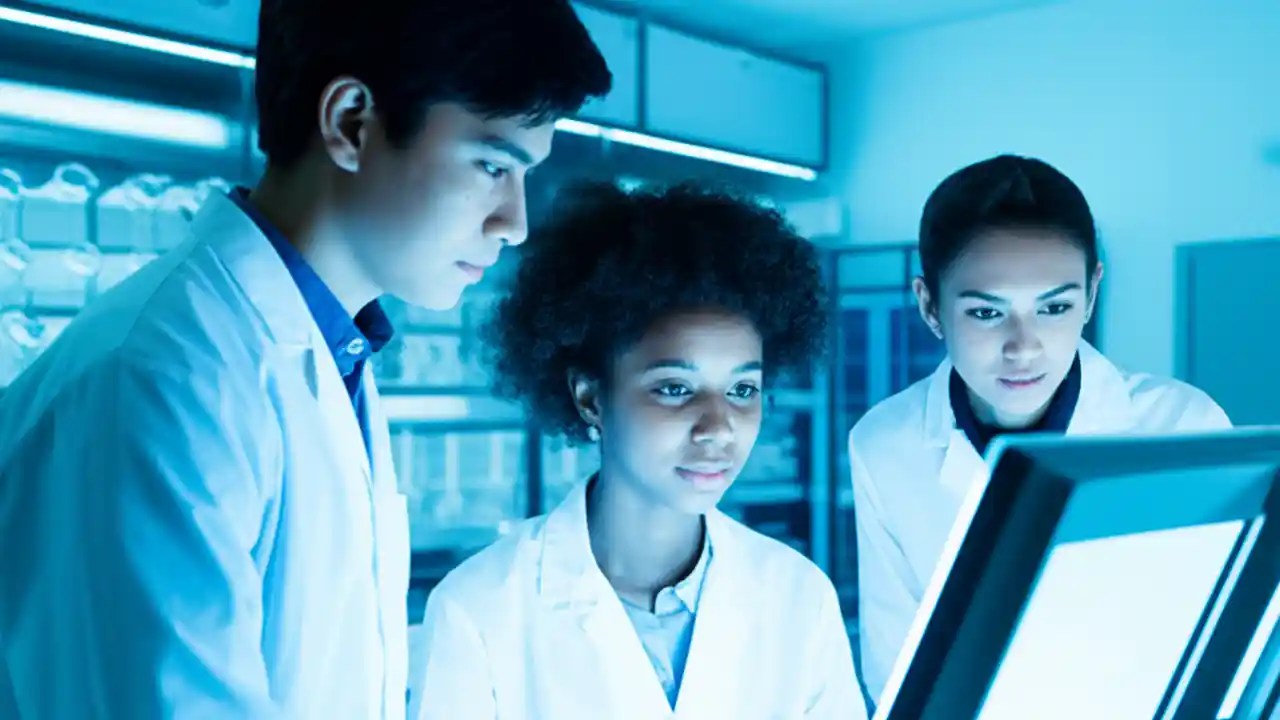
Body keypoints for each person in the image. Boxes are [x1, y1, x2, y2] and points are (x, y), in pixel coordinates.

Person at [0, 1, 610, 717]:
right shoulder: (162, 375)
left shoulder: (325, 352)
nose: (515, 223)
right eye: (491, 165)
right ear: (352, 123)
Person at [410, 182, 867, 719]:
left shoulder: (798, 595)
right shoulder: (479, 608)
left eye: (742, 390)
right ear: (590, 398)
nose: (718, 427)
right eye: (674, 388)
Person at [849, 154, 1233, 706]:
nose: (1023, 347)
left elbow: (1223, 642)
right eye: (986, 313)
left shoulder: (1183, 427)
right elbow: (896, 668)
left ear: (1091, 294)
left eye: (1054, 308)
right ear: (930, 306)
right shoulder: (885, 443)